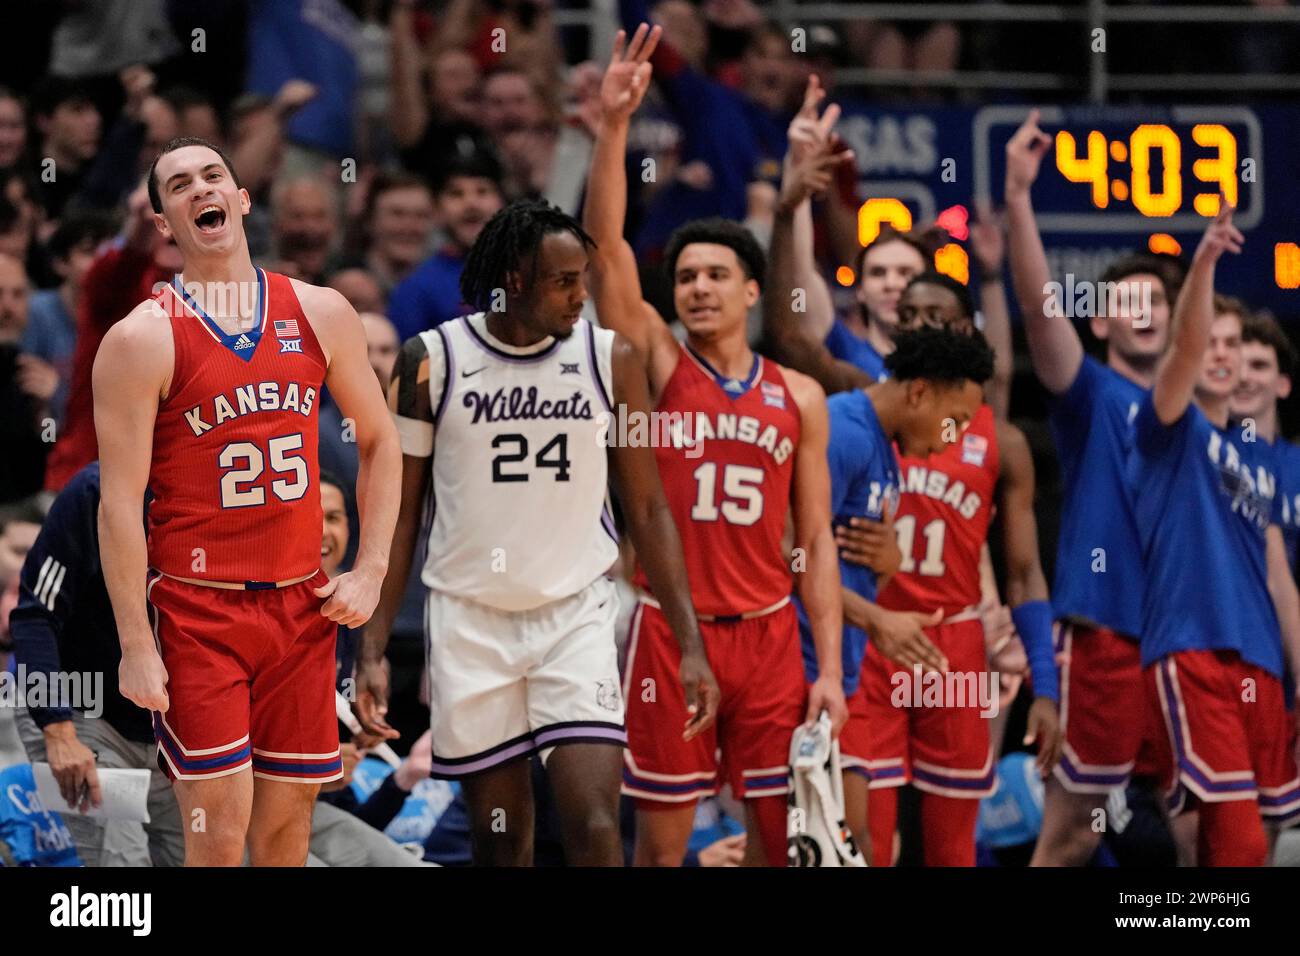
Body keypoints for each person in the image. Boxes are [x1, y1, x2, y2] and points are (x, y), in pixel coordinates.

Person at [357, 190, 719, 867]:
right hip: (470, 626)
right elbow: (399, 512)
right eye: (564, 281)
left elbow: (648, 507)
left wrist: (689, 639)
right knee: (500, 839)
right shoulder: (428, 362)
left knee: (596, 826)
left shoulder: (611, 360)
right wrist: (372, 646)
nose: (581, 295)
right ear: (515, 282)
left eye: (583, 276)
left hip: (574, 619)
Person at [92, 136, 401, 866]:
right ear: (165, 222)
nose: (201, 190)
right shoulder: (142, 338)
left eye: (213, 176)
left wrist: (370, 570)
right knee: (219, 839)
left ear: (242, 197)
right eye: (179, 185)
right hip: (202, 611)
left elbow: (383, 443)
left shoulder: (322, 311)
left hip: (302, 609)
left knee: (285, 838)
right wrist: (137, 643)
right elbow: (117, 503)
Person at [584, 26, 846, 868]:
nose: (697, 287)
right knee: (660, 849)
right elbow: (605, 252)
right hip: (671, 629)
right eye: (687, 276)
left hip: (770, 639)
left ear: (752, 291)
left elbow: (816, 543)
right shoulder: (660, 362)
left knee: (781, 843)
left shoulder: (798, 394)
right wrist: (615, 128)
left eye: (715, 276)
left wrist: (831, 668)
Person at [1001, 111, 1177, 867]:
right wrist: (1016, 198)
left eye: (1157, 302)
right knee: (1074, 833)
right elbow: (1042, 313)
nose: (1141, 311)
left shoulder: (1207, 416)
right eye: (1125, 302)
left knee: (1204, 830)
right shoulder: (1093, 395)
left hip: (1191, 643)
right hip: (1107, 636)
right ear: (1102, 323)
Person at [1129, 203, 1300, 865]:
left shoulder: (1255, 458)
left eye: (1235, 345)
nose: (1220, 353)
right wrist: (1202, 263)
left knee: (1254, 846)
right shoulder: (1167, 427)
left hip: (1260, 664)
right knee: (1236, 843)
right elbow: (1184, 351)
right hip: (1193, 648)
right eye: (1213, 342)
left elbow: (1278, 577)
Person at [9, 462, 186, 866]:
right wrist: (57, 731)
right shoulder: (93, 491)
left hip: (169, 727)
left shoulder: (223, 497)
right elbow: (36, 615)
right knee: (121, 864)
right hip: (81, 709)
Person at [386, 153, 505, 341]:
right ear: (437, 211)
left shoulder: (529, 277)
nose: (471, 203)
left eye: (482, 191)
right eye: (456, 194)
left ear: (502, 204)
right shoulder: (415, 290)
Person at [1229, 308, 1300, 568]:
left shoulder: (1296, 464)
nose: (1244, 377)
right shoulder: (1199, 454)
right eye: (1236, 365)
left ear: (1283, 385)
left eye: (1259, 365)